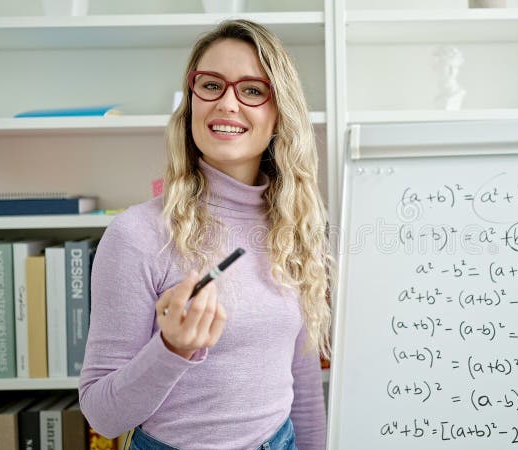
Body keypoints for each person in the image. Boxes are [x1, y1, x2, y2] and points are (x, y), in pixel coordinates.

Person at [79, 19, 331, 450]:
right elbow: (102, 414)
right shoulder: (136, 234)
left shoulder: (297, 227)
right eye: (211, 85)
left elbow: (302, 382)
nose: (227, 103)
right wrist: (172, 349)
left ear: (278, 113)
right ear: (191, 103)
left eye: (252, 89)